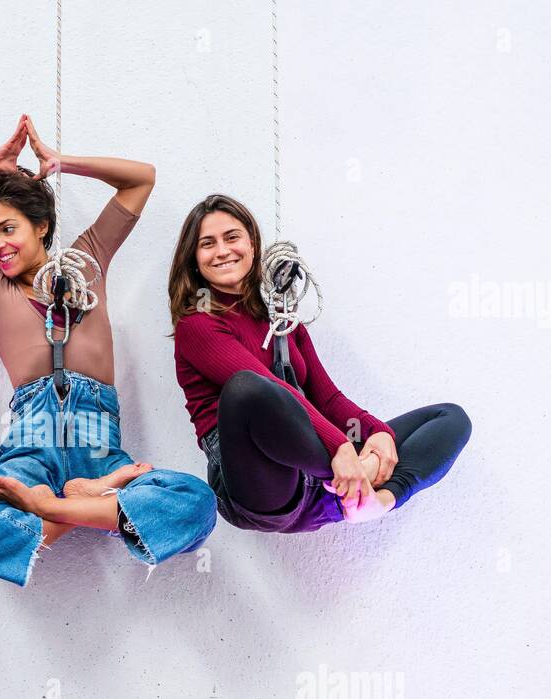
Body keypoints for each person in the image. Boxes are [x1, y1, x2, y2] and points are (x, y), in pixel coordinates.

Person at [0, 108, 217, 587]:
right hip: (29, 448)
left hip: (101, 452)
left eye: (7, 229)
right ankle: (85, 505)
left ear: (40, 226)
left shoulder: (86, 260)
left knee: (197, 504)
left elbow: (141, 180)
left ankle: (53, 507)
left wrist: (60, 162)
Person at [169, 194, 471, 533]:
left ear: (253, 245)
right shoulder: (197, 324)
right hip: (262, 487)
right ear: (194, 260)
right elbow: (274, 390)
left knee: (449, 417)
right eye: (207, 244)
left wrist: (379, 433)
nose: (222, 251)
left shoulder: (283, 320)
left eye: (232, 237)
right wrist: (342, 448)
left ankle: (378, 502)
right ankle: (357, 476)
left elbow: (327, 399)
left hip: (321, 481)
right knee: (247, 388)